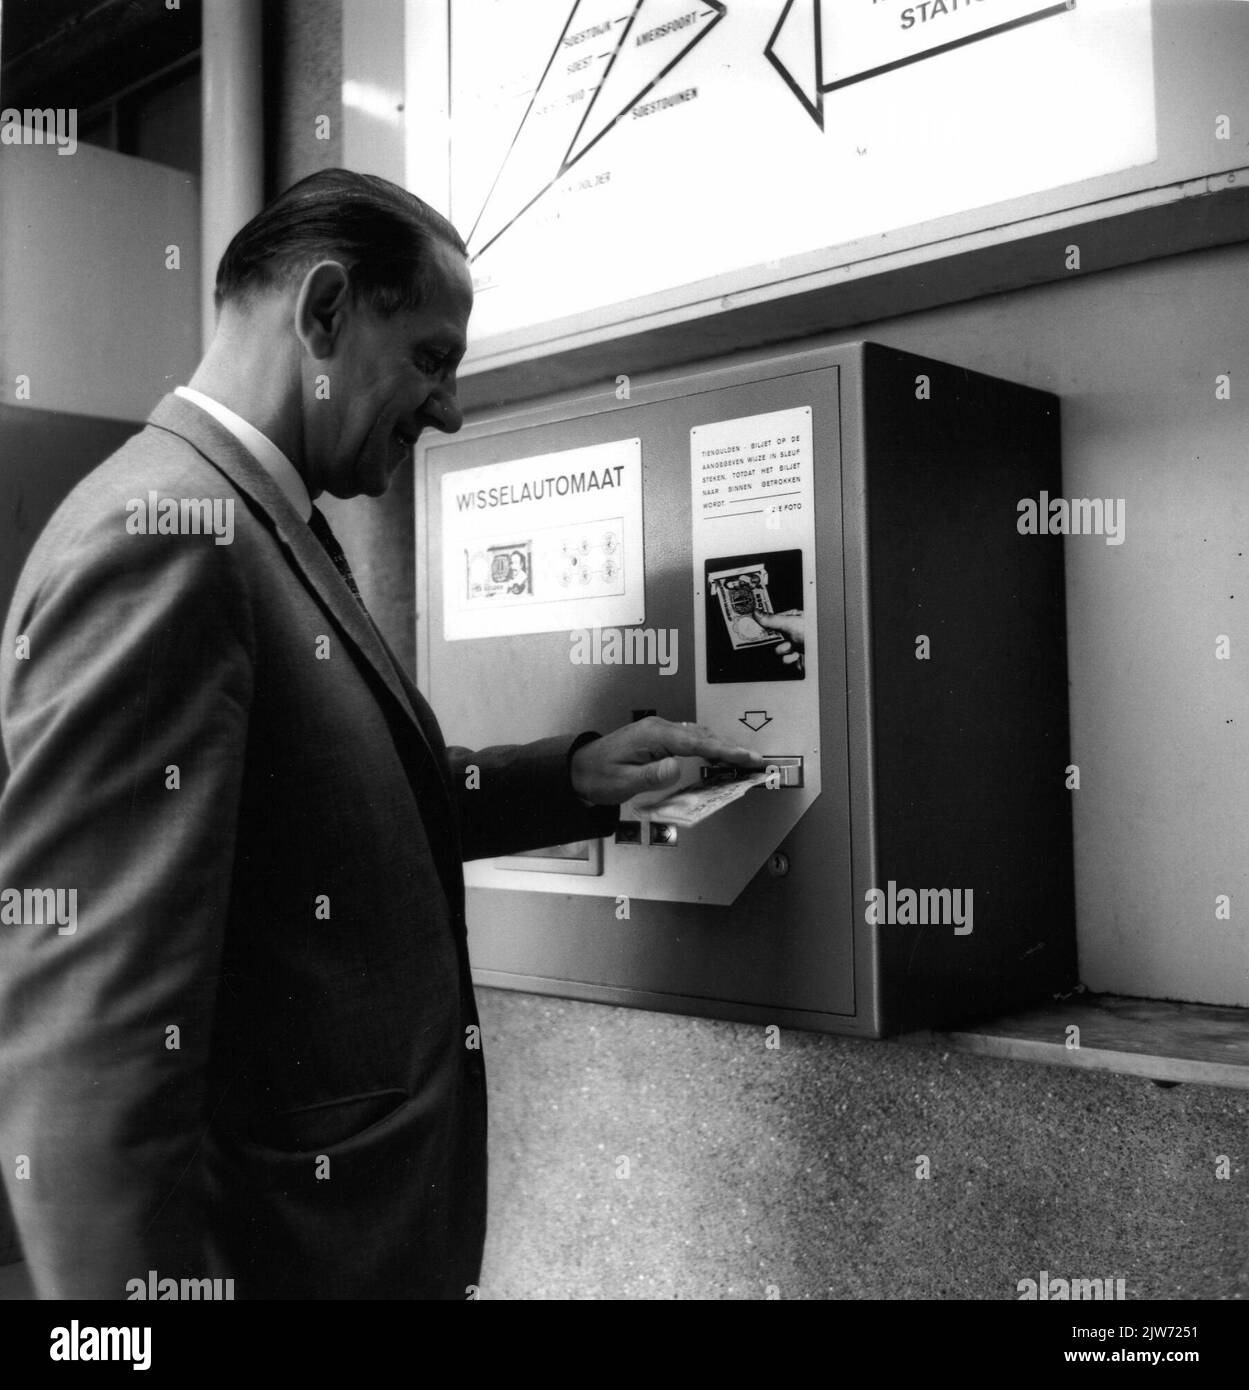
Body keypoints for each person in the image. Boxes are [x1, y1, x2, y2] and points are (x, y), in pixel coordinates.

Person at [0, 169, 760, 1299]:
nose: (449, 408)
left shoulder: (258, 526)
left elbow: (329, 815)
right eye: (431, 358)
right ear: (323, 311)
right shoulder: (164, 538)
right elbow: (90, 1061)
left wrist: (578, 776)